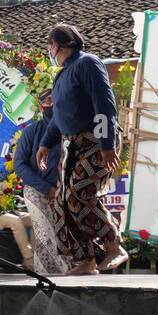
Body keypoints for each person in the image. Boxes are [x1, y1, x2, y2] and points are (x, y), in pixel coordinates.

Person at [35, 24, 127, 275]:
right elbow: (59, 116)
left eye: (50, 45)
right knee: (62, 202)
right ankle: (85, 260)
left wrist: (107, 144)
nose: (49, 50)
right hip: (70, 144)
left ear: (57, 44)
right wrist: (45, 143)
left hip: (95, 140)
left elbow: (104, 103)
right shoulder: (62, 74)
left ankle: (113, 244)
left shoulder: (88, 63)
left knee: (80, 194)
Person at [13, 88, 69, 277]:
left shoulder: (70, 128)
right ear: (40, 106)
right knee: (45, 232)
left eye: (55, 99)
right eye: (47, 100)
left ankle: (66, 272)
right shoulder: (31, 131)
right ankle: (49, 275)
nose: (51, 104)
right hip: (36, 189)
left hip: (66, 191)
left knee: (64, 232)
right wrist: (46, 188)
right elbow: (19, 164)